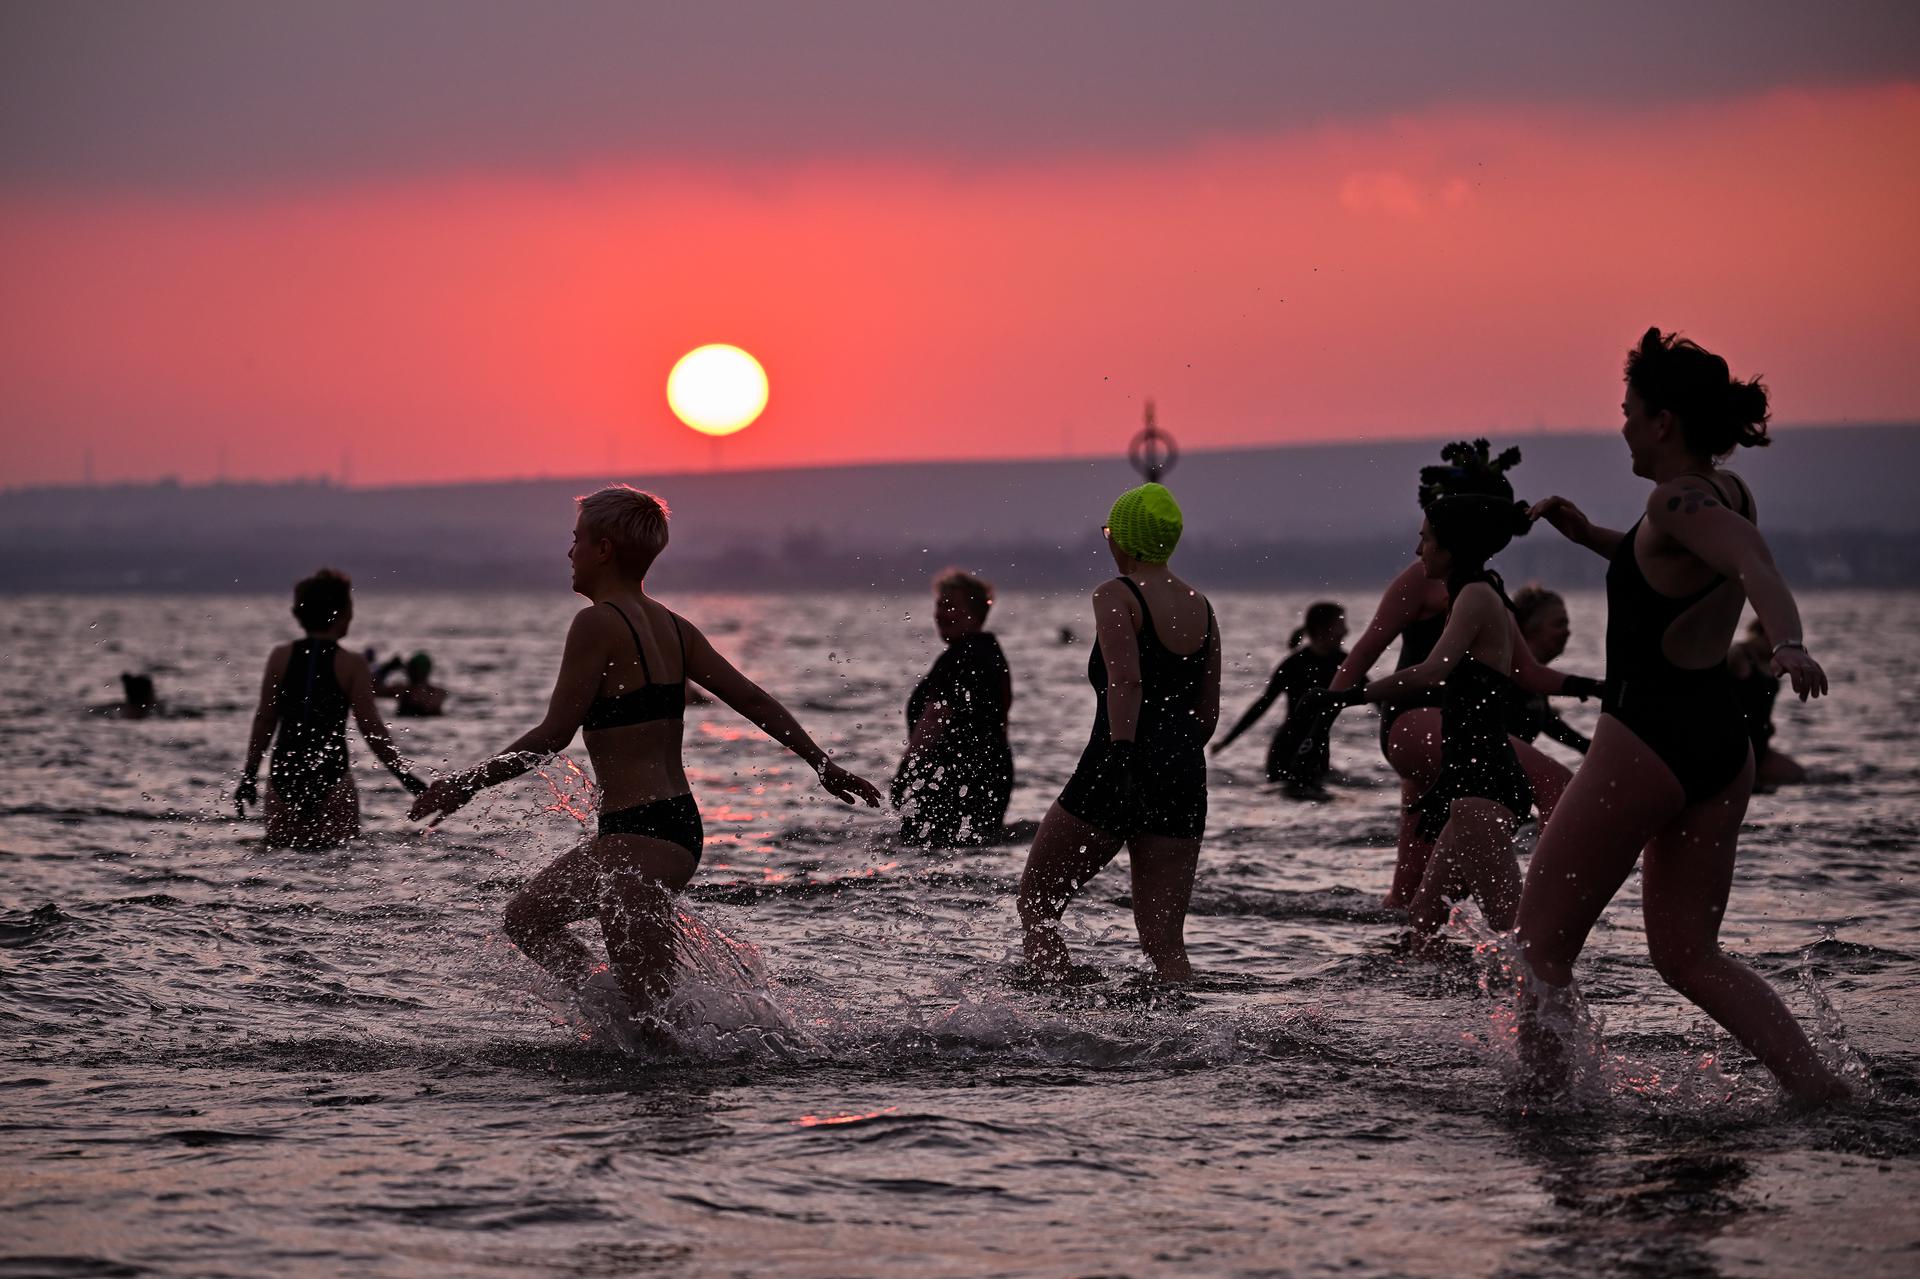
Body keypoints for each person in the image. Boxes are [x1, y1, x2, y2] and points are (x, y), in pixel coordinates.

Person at [1516, 328, 1847, 1104]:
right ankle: (1818, 1086)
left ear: (1663, 421)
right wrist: (1593, 535)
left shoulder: (1677, 499)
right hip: (1718, 749)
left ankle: (1545, 1106)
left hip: (1645, 742)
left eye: (1630, 411)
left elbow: (1750, 561)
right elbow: (1673, 564)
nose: (1623, 425)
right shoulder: (1718, 492)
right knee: (1690, 955)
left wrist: (1790, 641)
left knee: (1537, 947)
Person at [408, 486, 881, 1024]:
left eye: (577, 540)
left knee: (618, 992)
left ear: (604, 549)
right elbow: (751, 697)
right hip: (675, 829)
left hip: (637, 836)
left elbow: (553, 735)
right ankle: (637, 1029)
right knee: (600, 969)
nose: (570, 553)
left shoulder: (597, 624)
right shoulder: (675, 627)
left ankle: (648, 1047)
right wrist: (822, 763)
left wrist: (466, 783)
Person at [1310, 442, 1579, 938]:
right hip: (1414, 722)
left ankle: (1413, 977)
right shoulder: (1421, 580)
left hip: (1447, 727)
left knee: (1410, 898)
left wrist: (1605, 688)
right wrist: (1321, 721)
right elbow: (1363, 653)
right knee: (1556, 787)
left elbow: (1528, 671)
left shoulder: (1483, 589)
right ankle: (1552, 924)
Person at [1016, 483, 1220, 982]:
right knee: (1165, 943)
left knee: (1038, 906)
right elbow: (1207, 713)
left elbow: (1125, 680)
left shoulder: (1116, 595)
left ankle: (1054, 1019)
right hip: (1183, 773)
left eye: (1110, 531)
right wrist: (1172, 762)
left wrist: (1125, 755)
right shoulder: (1203, 607)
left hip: (1116, 763)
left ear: (1124, 540)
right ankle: (1186, 1043)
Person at [238, 568, 427, 849]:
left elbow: (266, 720)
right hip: (332, 777)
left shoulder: (280, 657)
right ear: (340, 612)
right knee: (338, 864)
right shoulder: (352, 664)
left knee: (279, 859)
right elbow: (371, 729)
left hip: (283, 776)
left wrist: (249, 776)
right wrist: (405, 777)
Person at [891, 569, 1015, 846]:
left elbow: (937, 714)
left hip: (957, 778)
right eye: (939, 605)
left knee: (930, 852)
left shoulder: (963, 657)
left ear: (974, 612)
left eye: (950, 606)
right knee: (973, 848)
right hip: (991, 773)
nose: (940, 614)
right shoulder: (991, 652)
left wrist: (905, 771)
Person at [1211, 601, 1348, 799]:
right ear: (1322, 628)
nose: (1346, 631)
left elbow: (1373, 695)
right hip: (1286, 750)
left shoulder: (1343, 662)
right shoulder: (1294, 664)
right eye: (1341, 624)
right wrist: (1226, 742)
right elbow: (1263, 704)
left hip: (1318, 749)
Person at [1506, 586, 1592, 755]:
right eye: (1559, 624)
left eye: (1567, 624)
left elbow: (1547, 722)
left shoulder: (1537, 685)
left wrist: (1589, 748)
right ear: (1530, 628)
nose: (1568, 632)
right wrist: (1594, 688)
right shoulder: (1507, 675)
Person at [1729, 617, 1807, 791]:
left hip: (1761, 743)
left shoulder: (1770, 662)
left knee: (1802, 777)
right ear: (1759, 635)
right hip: (1737, 746)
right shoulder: (1737, 655)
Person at [376, 651, 449, 717]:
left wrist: (386, 669)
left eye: (411, 669)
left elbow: (373, 690)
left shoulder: (401, 690)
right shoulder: (439, 693)